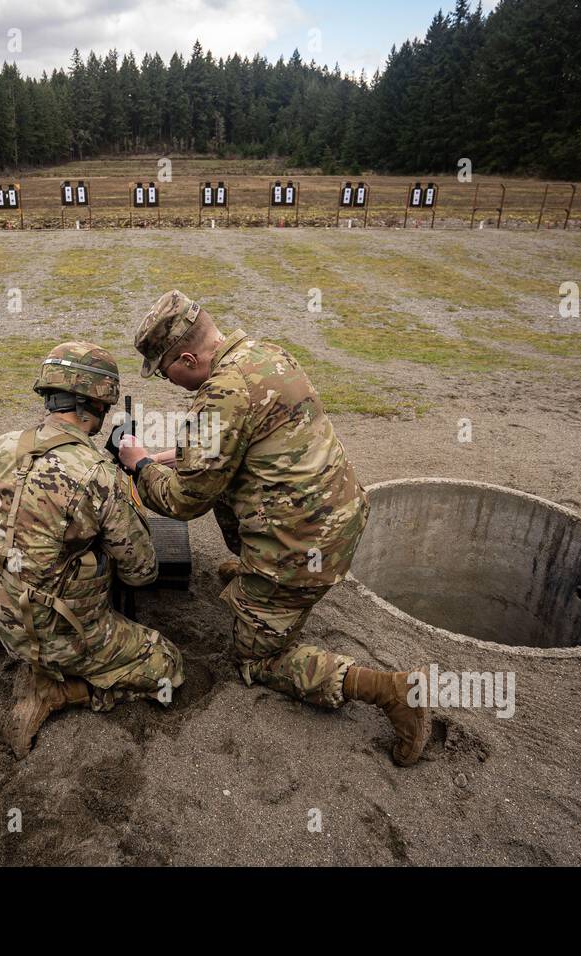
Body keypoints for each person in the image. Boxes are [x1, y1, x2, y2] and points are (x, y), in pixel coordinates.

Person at [119, 291, 430, 766]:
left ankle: (391, 690)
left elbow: (183, 502)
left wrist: (140, 466)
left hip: (300, 549)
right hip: (339, 518)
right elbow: (245, 446)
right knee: (229, 493)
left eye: (165, 371)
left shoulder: (221, 395)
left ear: (186, 358)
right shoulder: (267, 354)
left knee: (256, 661)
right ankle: (255, 575)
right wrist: (171, 456)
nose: (168, 381)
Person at [0, 341, 184, 758]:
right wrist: (123, 493)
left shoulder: (4, 446)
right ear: (96, 404)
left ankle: (46, 663)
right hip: (57, 630)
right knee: (168, 666)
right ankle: (61, 690)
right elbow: (141, 571)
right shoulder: (97, 475)